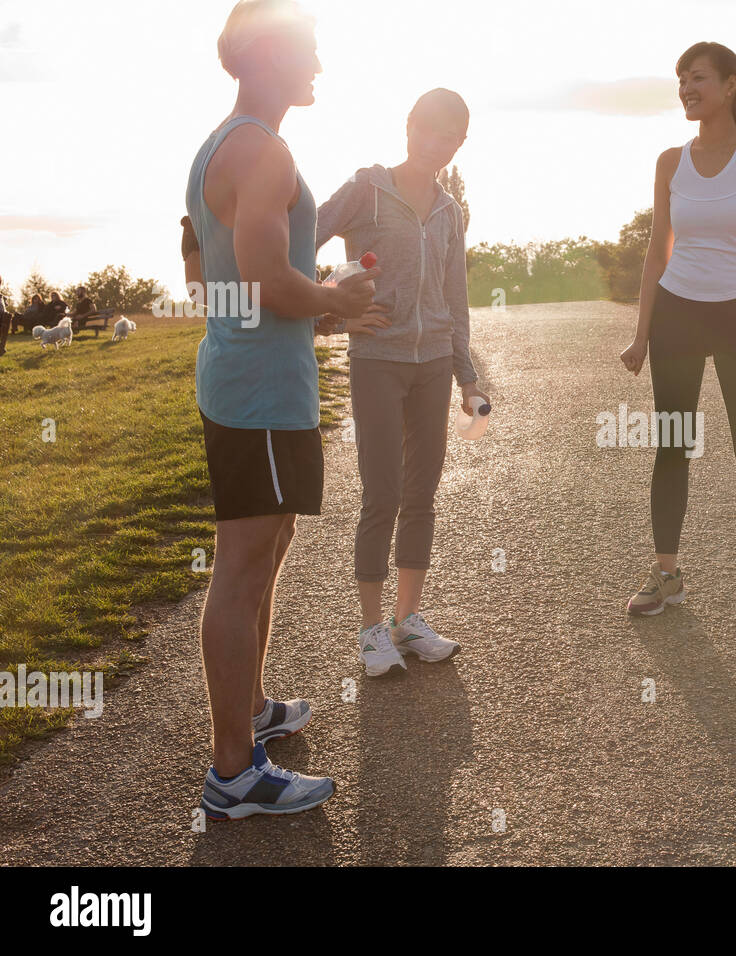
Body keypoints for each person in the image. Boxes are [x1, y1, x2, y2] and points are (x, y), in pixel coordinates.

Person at [187, 0, 385, 820]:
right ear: (267, 56)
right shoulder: (263, 150)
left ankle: (252, 709)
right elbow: (268, 278)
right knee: (241, 566)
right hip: (261, 393)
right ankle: (234, 773)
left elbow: (212, 272)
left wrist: (323, 304)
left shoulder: (221, 144)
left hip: (249, 382)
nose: (319, 67)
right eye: (307, 50)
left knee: (267, 548)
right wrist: (333, 296)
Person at [619, 42, 736, 633]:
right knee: (673, 446)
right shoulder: (669, 161)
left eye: (697, 78)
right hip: (678, 311)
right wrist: (641, 333)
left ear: (730, 85)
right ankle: (666, 573)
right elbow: (657, 251)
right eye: (681, 81)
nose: (686, 89)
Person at [315, 88, 487, 676]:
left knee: (421, 496)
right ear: (409, 126)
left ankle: (407, 621)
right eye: (431, 130)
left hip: (434, 362)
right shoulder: (367, 189)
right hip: (378, 360)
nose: (439, 144)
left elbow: (455, 299)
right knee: (381, 493)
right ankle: (370, 632)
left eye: (452, 137)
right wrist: (331, 314)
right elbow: (296, 241)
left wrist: (468, 377)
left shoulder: (449, 210)